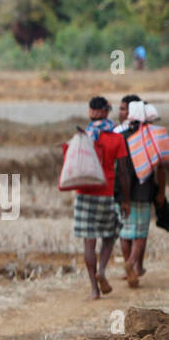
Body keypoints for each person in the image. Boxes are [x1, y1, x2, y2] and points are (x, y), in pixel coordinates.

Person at [65, 99, 132, 299]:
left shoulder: (83, 136)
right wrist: (126, 200)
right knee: (110, 235)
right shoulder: (116, 138)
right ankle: (101, 270)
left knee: (89, 243)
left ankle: (94, 289)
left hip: (84, 193)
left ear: (90, 112)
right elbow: (124, 173)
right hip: (105, 193)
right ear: (105, 112)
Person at [119, 100, 166, 287]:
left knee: (124, 232)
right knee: (140, 233)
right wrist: (161, 192)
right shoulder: (151, 137)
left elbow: (120, 169)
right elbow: (161, 167)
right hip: (143, 191)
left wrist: (122, 196)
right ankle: (131, 264)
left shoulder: (121, 136)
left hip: (122, 193)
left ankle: (129, 267)